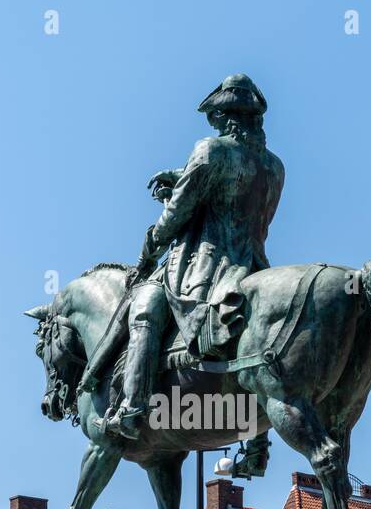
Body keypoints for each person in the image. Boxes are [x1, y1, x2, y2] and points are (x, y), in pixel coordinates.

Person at [82, 74, 285, 444]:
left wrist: (149, 250)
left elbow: (177, 214)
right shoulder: (274, 166)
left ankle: (132, 406)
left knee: (144, 308)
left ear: (225, 117)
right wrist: (180, 177)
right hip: (254, 266)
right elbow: (231, 189)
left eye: (216, 118)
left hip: (205, 271)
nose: (214, 124)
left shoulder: (211, 150)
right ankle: (258, 440)